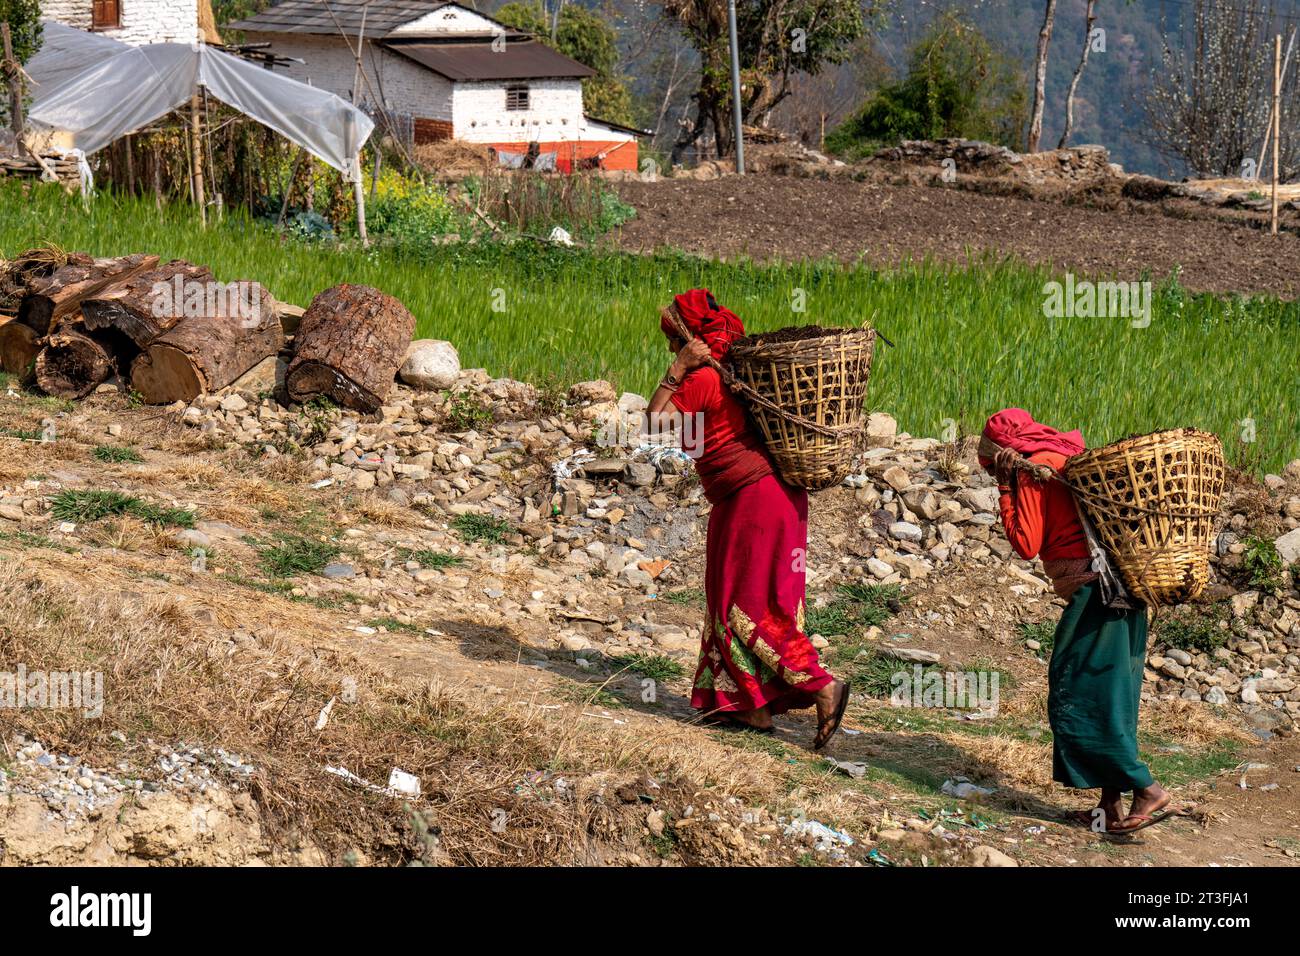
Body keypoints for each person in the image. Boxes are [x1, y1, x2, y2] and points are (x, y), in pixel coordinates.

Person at [645, 289, 849, 749]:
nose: (669, 350)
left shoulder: (702, 380)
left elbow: (652, 424)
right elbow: (693, 436)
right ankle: (749, 708)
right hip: (770, 500)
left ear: (690, 340)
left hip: (754, 501)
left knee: (750, 607)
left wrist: (676, 372)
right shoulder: (736, 374)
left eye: (672, 342)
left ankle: (822, 686)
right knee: (729, 600)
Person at [979, 408, 1169, 832]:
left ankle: (1148, 789)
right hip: (1125, 590)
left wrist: (1008, 488)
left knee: (1078, 691)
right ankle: (1109, 808)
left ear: (1004, 451)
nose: (994, 470)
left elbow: (1026, 543)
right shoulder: (1069, 454)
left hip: (1094, 596)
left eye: (992, 463)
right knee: (1112, 695)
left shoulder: (1032, 470)